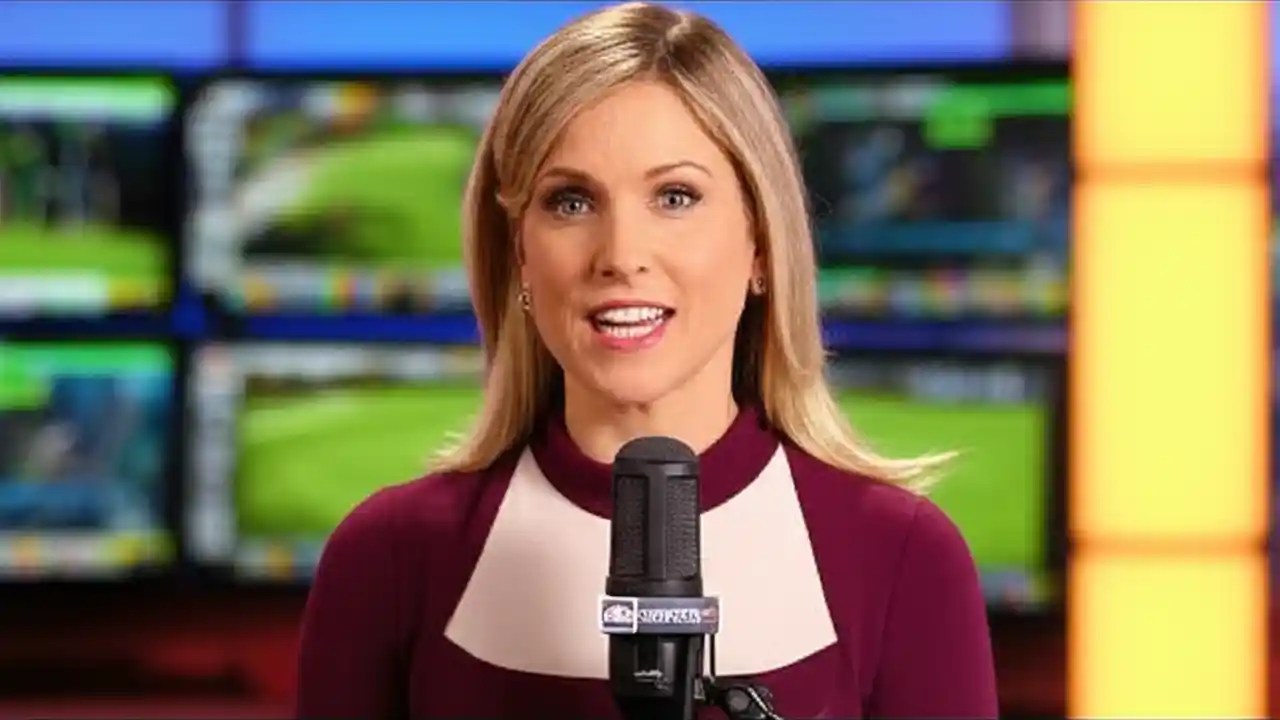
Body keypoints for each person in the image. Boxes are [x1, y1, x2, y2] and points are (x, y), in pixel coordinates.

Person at [295, 2, 999, 718]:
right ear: (519, 254)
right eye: (571, 202)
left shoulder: (903, 558)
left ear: (760, 244)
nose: (622, 256)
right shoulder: (386, 557)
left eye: (674, 196)